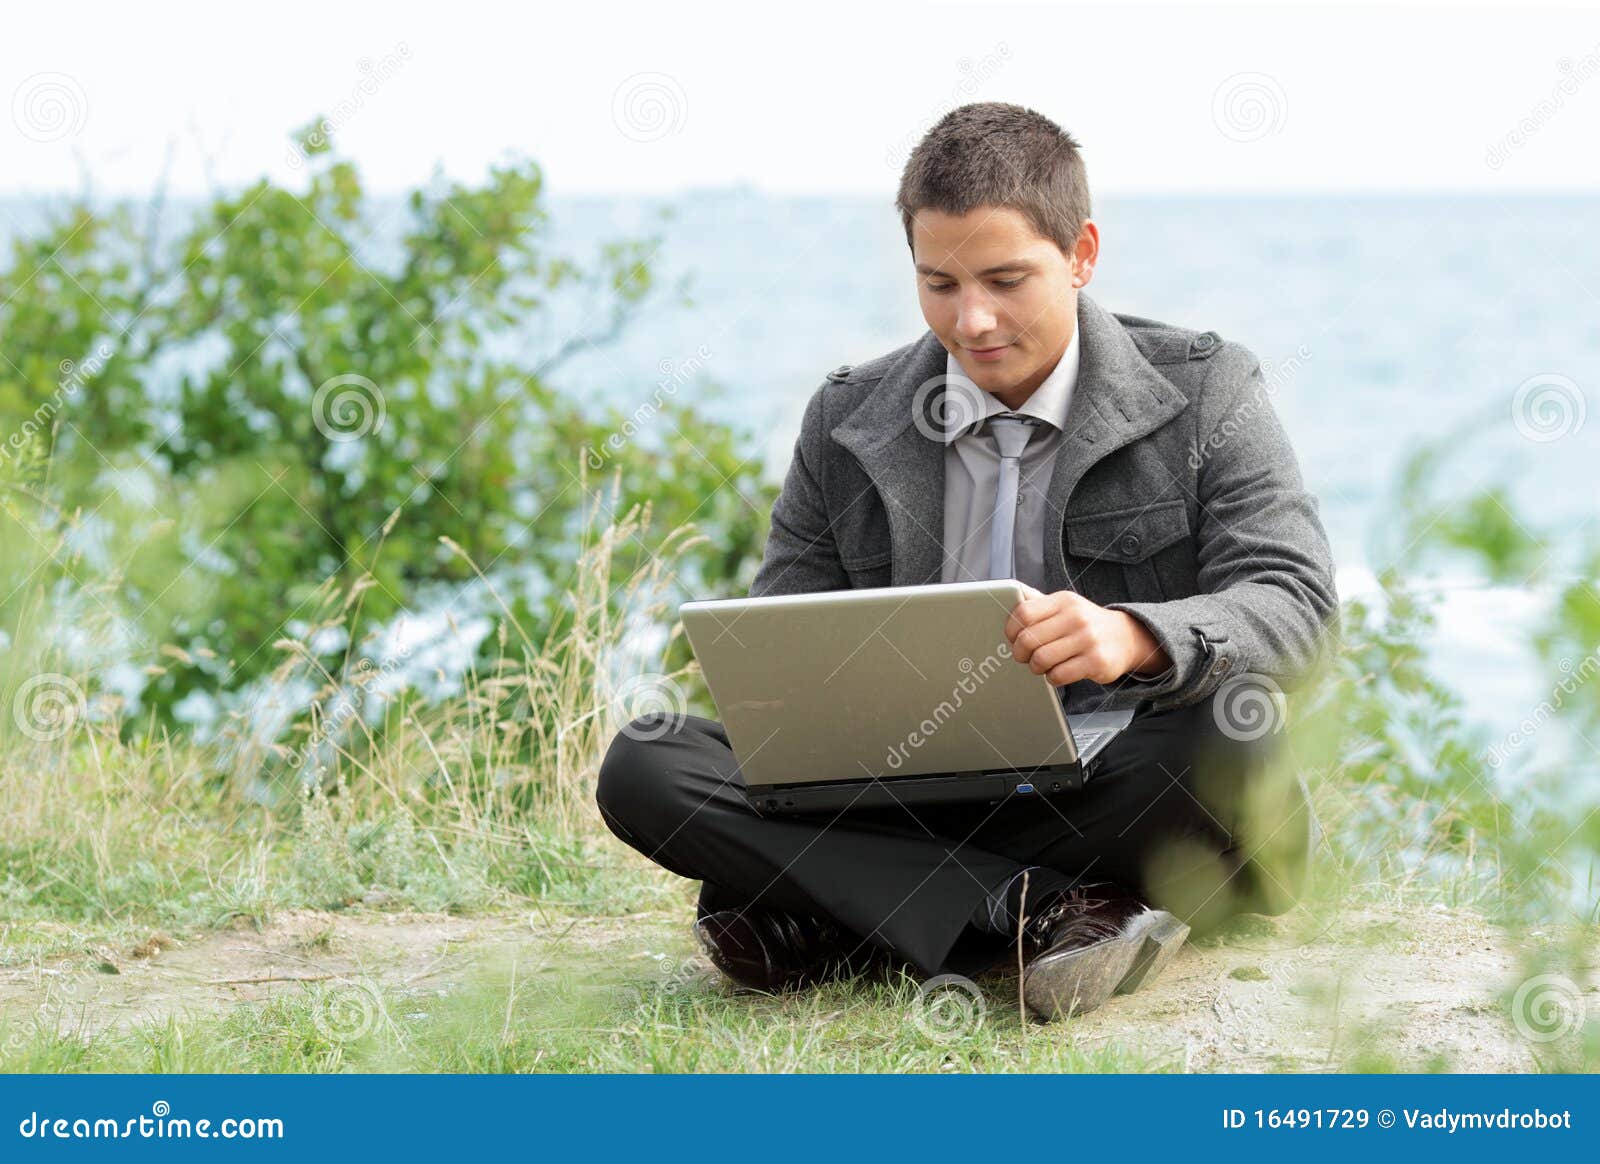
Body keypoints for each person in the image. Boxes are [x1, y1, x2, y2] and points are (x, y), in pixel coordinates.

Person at [596, 101, 1340, 1020]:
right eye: (939, 283)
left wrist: (1135, 638)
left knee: (1234, 725)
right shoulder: (846, 418)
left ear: (1083, 254)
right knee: (646, 760)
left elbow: (1296, 602)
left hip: (1117, 778)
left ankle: (843, 904)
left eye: (1005, 279)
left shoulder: (1206, 388)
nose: (973, 320)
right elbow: (780, 655)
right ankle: (1037, 908)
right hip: (910, 790)